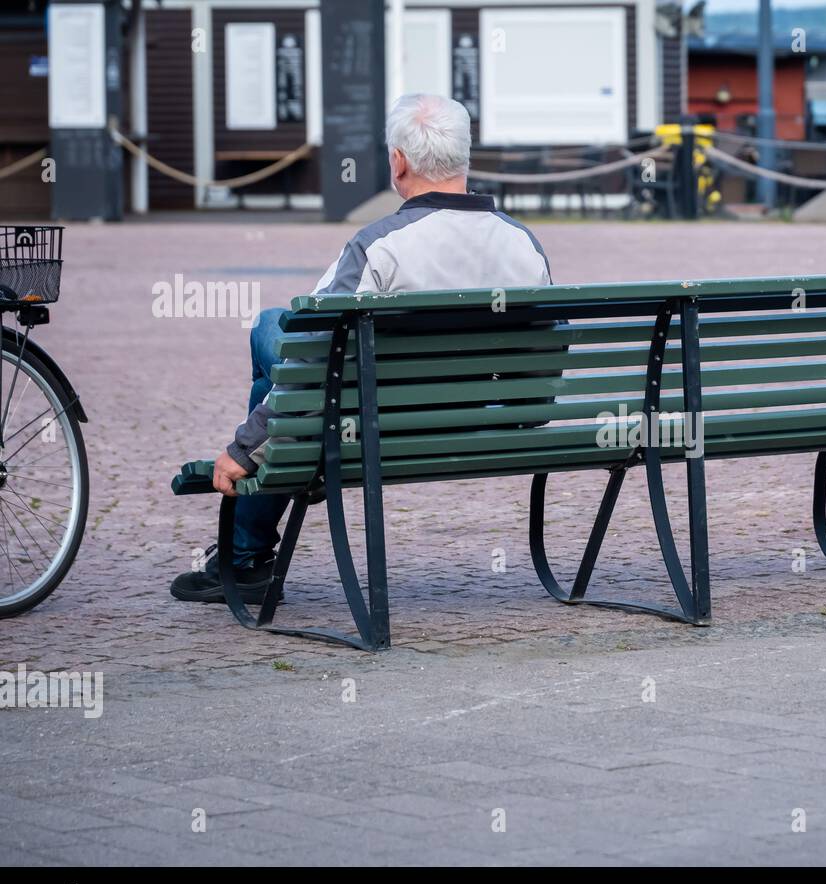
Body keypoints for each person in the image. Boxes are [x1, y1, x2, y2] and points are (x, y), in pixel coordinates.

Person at [171, 94, 551, 604]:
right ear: (464, 158)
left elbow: (309, 356)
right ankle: (245, 553)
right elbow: (544, 371)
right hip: (475, 424)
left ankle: (245, 558)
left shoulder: (380, 245)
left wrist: (246, 446)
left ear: (398, 161)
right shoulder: (522, 243)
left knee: (270, 330)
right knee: (280, 354)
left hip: (376, 428)